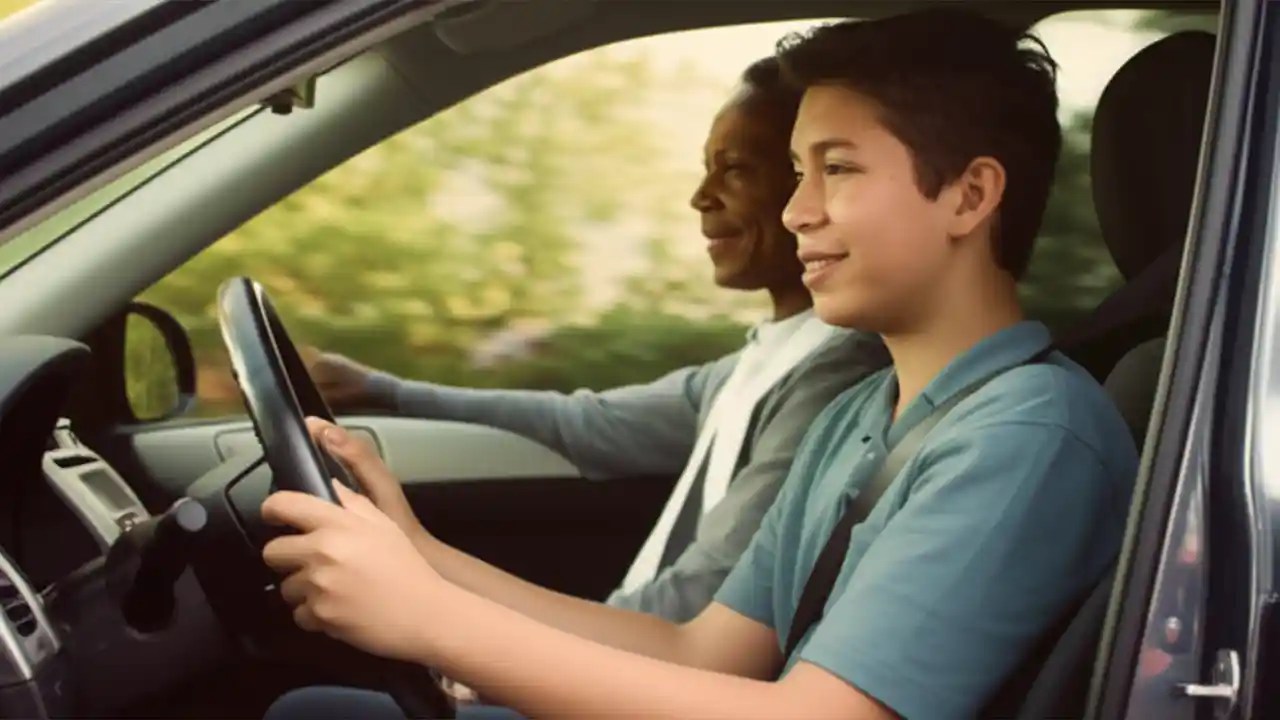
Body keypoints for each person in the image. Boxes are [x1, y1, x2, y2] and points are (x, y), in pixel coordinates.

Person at [263, 8, 1139, 719]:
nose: (796, 210)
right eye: (796, 172)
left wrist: (432, 620)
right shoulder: (864, 412)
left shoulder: (1027, 441)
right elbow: (699, 651)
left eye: (835, 169)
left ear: (970, 196)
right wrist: (421, 556)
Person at [304, 57, 889, 625]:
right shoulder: (760, 363)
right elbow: (582, 424)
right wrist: (385, 390)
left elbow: (699, 607)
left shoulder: (834, 375)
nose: (701, 196)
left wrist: (493, 652)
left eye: (735, 169)